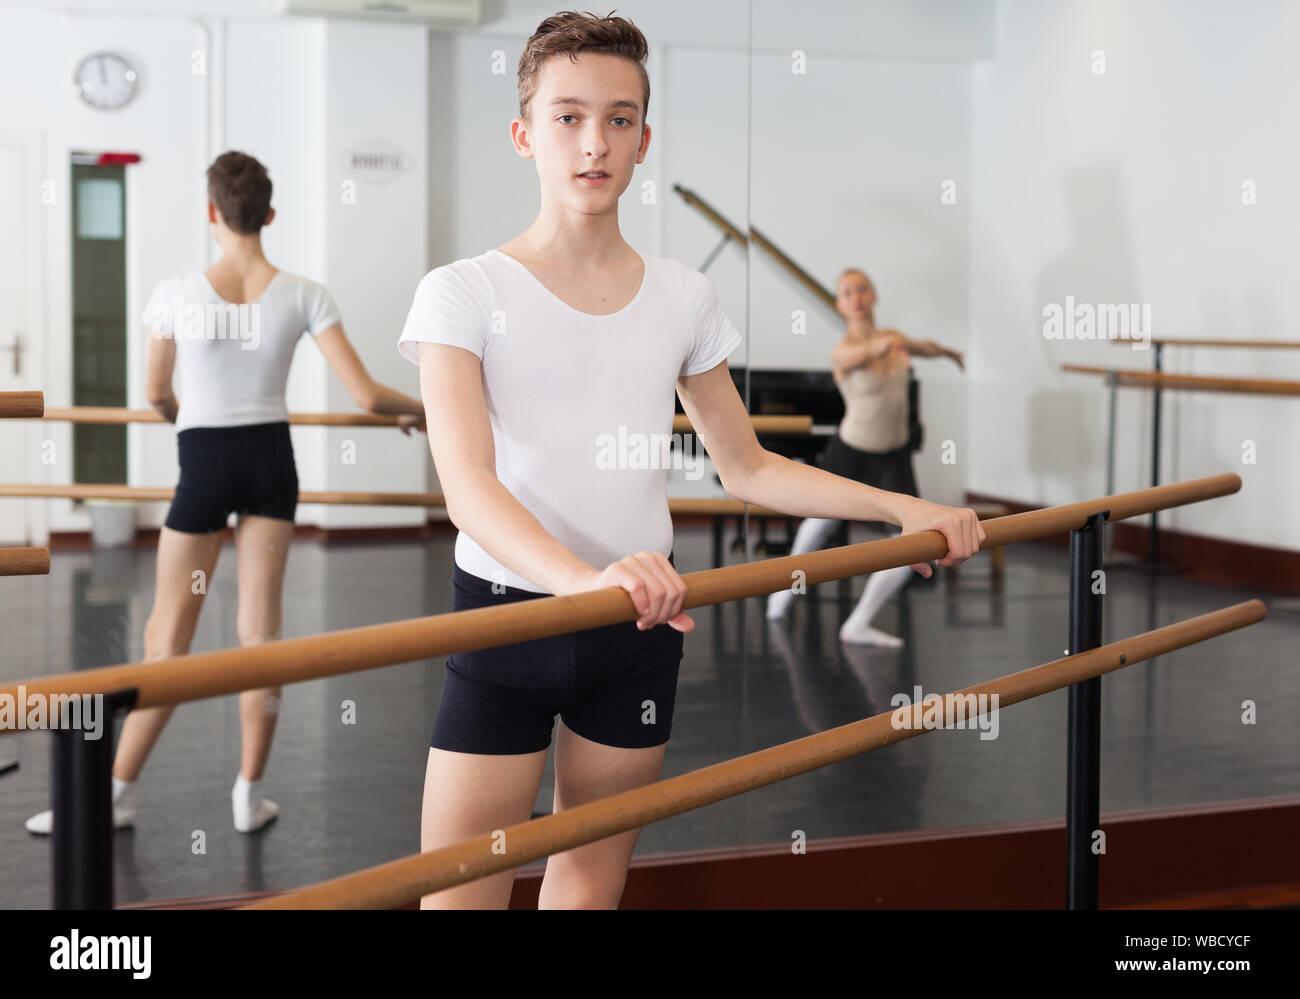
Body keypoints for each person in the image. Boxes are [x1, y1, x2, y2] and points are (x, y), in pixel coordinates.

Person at [399, 10, 984, 909]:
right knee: (461, 895)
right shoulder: (462, 293)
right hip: (508, 623)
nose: (594, 141)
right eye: (568, 116)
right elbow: (470, 488)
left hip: (640, 627)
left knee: (590, 878)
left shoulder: (683, 295)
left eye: (620, 118)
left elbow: (746, 466)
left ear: (643, 140)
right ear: (524, 135)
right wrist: (585, 580)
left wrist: (903, 511)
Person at [26, 150, 427, 836]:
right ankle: (248, 794)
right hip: (272, 460)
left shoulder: (175, 292)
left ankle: (113, 794)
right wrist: (417, 408)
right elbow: (363, 393)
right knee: (260, 637)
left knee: (166, 641)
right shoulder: (304, 292)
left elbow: (155, 392)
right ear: (268, 215)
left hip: (204, 461)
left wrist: (186, 413)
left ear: (212, 212)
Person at [766, 268, 966, 647]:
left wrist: (949, 353)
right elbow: (858, 354)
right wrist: (885, 345)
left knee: (912, 540)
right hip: (853, 450)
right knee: (819, 523)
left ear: (873, 296)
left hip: (893, 456)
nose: (856, 297)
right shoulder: (843, 351)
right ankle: (781, 595)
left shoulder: (893, 339)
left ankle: (858, 624)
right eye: (847, 293)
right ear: (840, 305)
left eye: (862, 290)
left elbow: (923, 345)